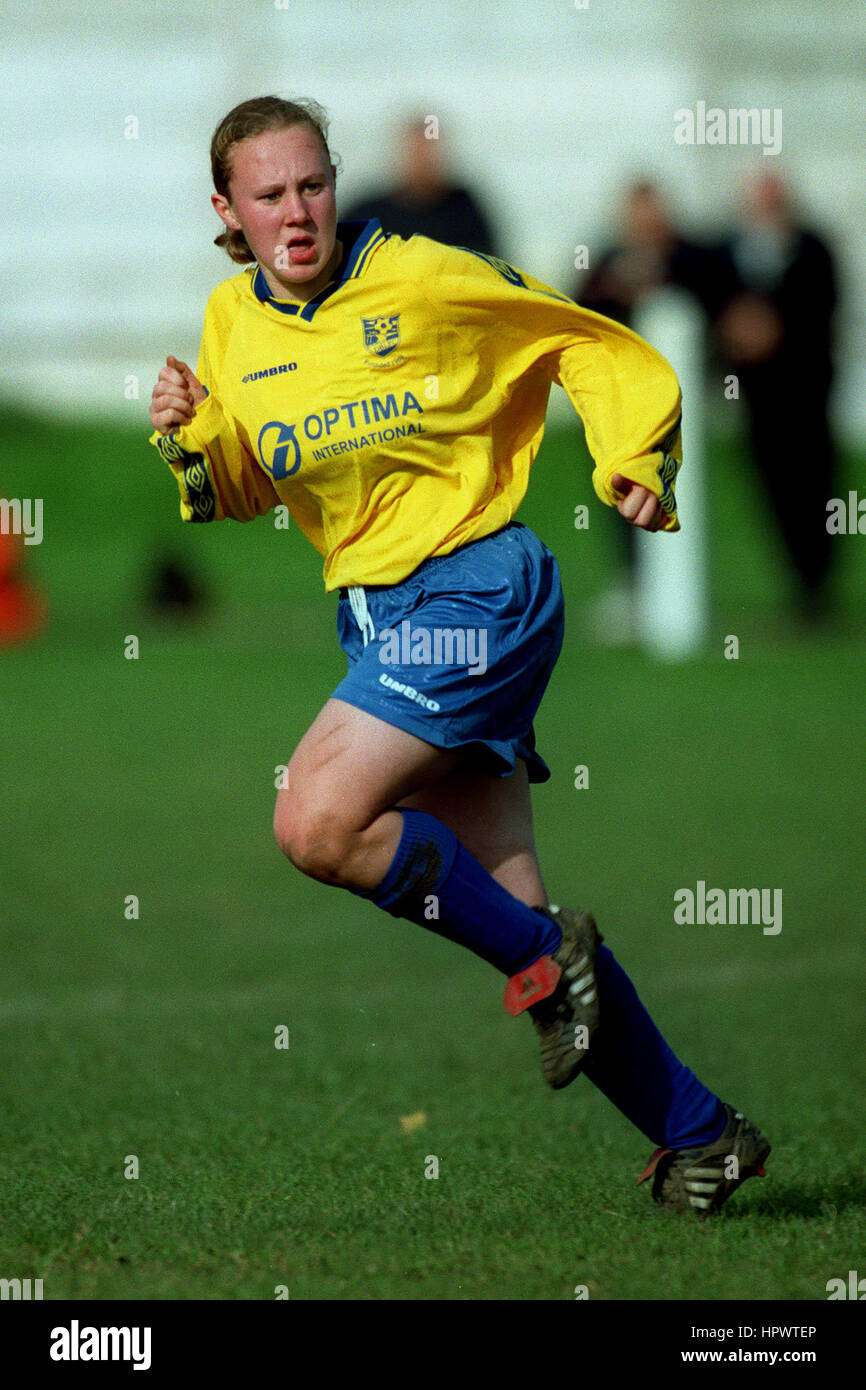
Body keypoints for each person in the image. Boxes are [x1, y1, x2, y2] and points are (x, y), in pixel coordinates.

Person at [149, 95, 770, 1217]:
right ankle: (701, 1133)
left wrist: (633, 454)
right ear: (227, 212)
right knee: (511, 912)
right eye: (269, 195)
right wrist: (193, 431)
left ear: (334, 183)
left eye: (311, 184)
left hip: (477, 589)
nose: (297, 211)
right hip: (378, 619)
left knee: (315, 820)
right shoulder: (232, 322)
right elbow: (244, 484)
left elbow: (579, 335)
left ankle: (546, 957)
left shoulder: (422, 275)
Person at [716, 170, 839, 620]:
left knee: (813, 484)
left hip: (806, 396)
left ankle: (815, 584)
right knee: (774, 490)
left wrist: (774, 330)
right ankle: (799, 580)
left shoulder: (812, 247)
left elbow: (826, 306)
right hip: (758, 401)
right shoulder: (730, 250)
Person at [342, 113, 499, 254]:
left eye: (429, 150)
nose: (423, 160)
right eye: (416, 151)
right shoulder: (367, 216)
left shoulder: (465, 211)